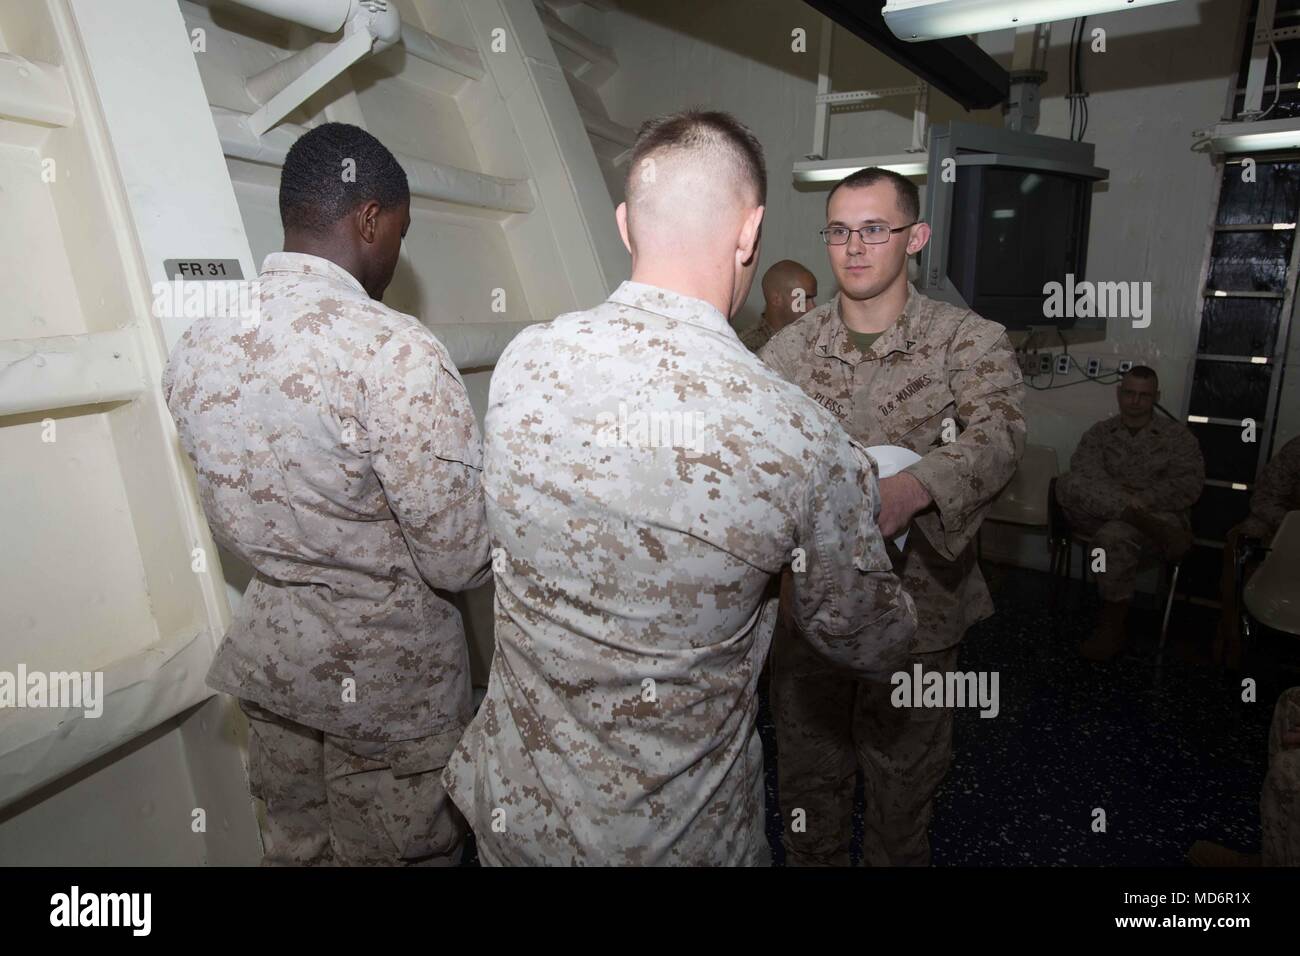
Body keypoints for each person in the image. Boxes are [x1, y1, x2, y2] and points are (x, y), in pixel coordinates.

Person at [442, 111, 916, 866]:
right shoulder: (795, 432)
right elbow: (867, 638)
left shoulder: (525, 363)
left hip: (518, 813)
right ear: (750, 234)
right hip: (677, 834)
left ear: (627, 225)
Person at [163, 123, 491, 865]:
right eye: (397, 234)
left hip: (277, 666)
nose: (395, 256)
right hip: (389, 689)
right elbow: (457, 560)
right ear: (369, 218)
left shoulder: (199, 342)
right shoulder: (395, 349)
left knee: (294, 849)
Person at [760, 166, 1026, 866]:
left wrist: (917, 487)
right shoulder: (789, 351)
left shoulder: (965, 340)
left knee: (905, 789)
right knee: (808, 784)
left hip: (922, 608)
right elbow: (752, 455)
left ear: (915, 237)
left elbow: (999, 433)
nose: (854, 247)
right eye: (841, 231)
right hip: (811, 611)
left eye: (875, 230)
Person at [1055, 366, 1204, 661]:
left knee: (1113, 536)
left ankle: (1112, 627)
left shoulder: (1177, 438)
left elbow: (1189, 484)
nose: (1135, 401)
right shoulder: (1100, 433)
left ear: (1156, 397)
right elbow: (1085, 473)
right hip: (1131, 519)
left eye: (1144, 395)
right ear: (1119, 393)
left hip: (1157, 519)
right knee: (1067, 482)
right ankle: (1132, 516)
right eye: (1129, 393)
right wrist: (1128, 504)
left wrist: (1145, 499)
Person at [1217, 435, 1300, 667]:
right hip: (1287, 528)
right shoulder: (1297, 449)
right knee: (1241, 543)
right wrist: (1291, 526)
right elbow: (1265, 498)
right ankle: (1232, 636)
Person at [739, 259, 818, 352]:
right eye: (803, 299)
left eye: (812, 299)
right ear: (776, 300)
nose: (813, 307)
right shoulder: (746, 349)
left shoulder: (812, 337)